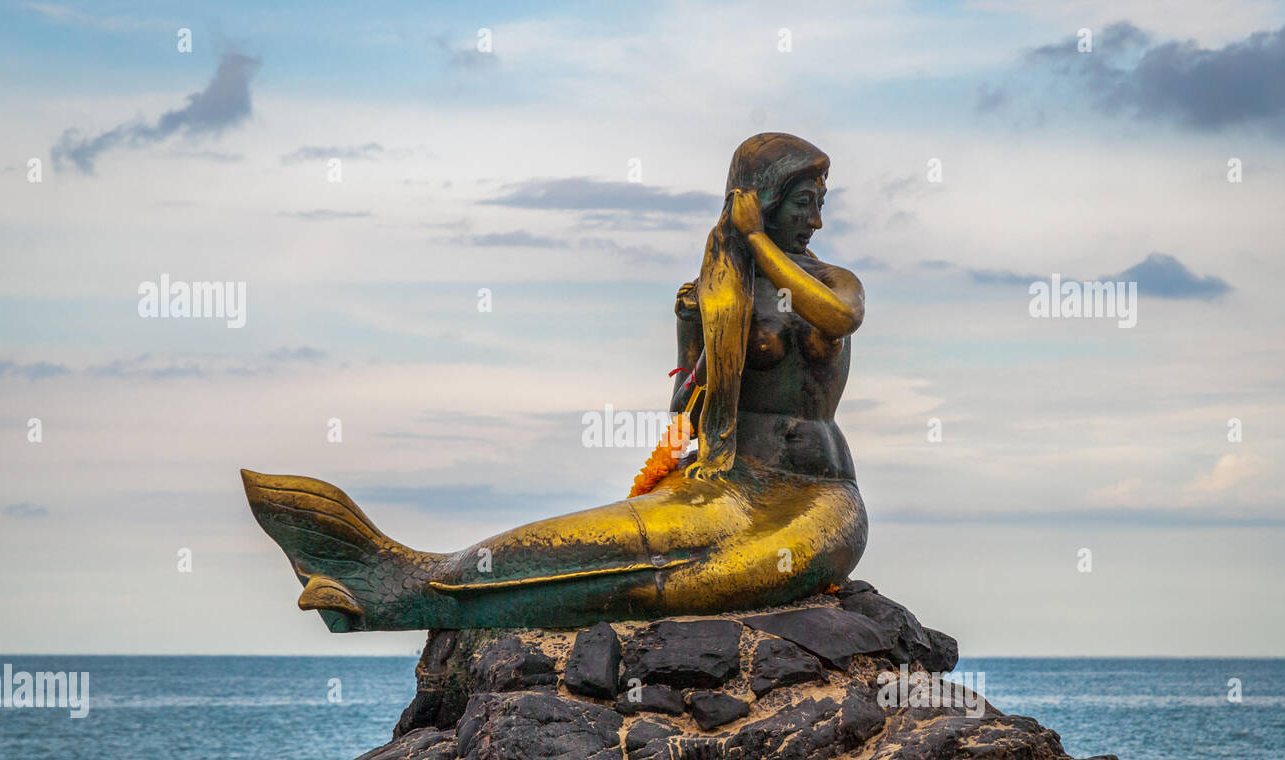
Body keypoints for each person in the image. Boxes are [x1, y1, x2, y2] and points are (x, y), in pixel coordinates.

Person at [242, 133, 868, 632]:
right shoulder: (717, 294)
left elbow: (842, 318)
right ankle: (406, 580)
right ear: (760, 197)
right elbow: (688, 407)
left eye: (819, 201)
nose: (814, 218)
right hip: (729, 481)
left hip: (817, 494)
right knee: (611, 537)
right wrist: (693, 326)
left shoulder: (834, 282)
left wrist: (753, 239)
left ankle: (433, 595)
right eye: (801, 201)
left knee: (717, 577)